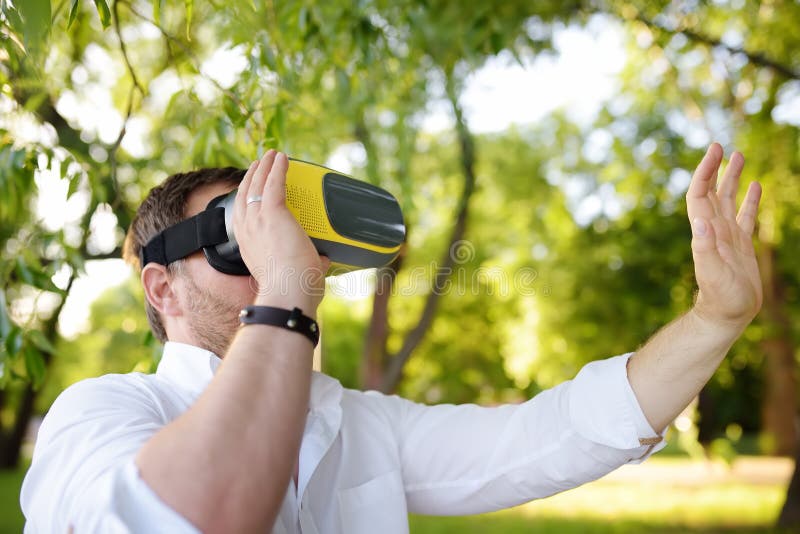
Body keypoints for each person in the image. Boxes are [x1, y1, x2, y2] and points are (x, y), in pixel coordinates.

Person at [20, 145, 762, 533]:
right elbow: (190, 522)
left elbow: (556, 432)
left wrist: (714, 319)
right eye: (240, 237)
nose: (285, 256)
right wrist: (285, 292)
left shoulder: (352, 420)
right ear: (161, 288)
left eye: (282, 239)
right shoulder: (100, 414)